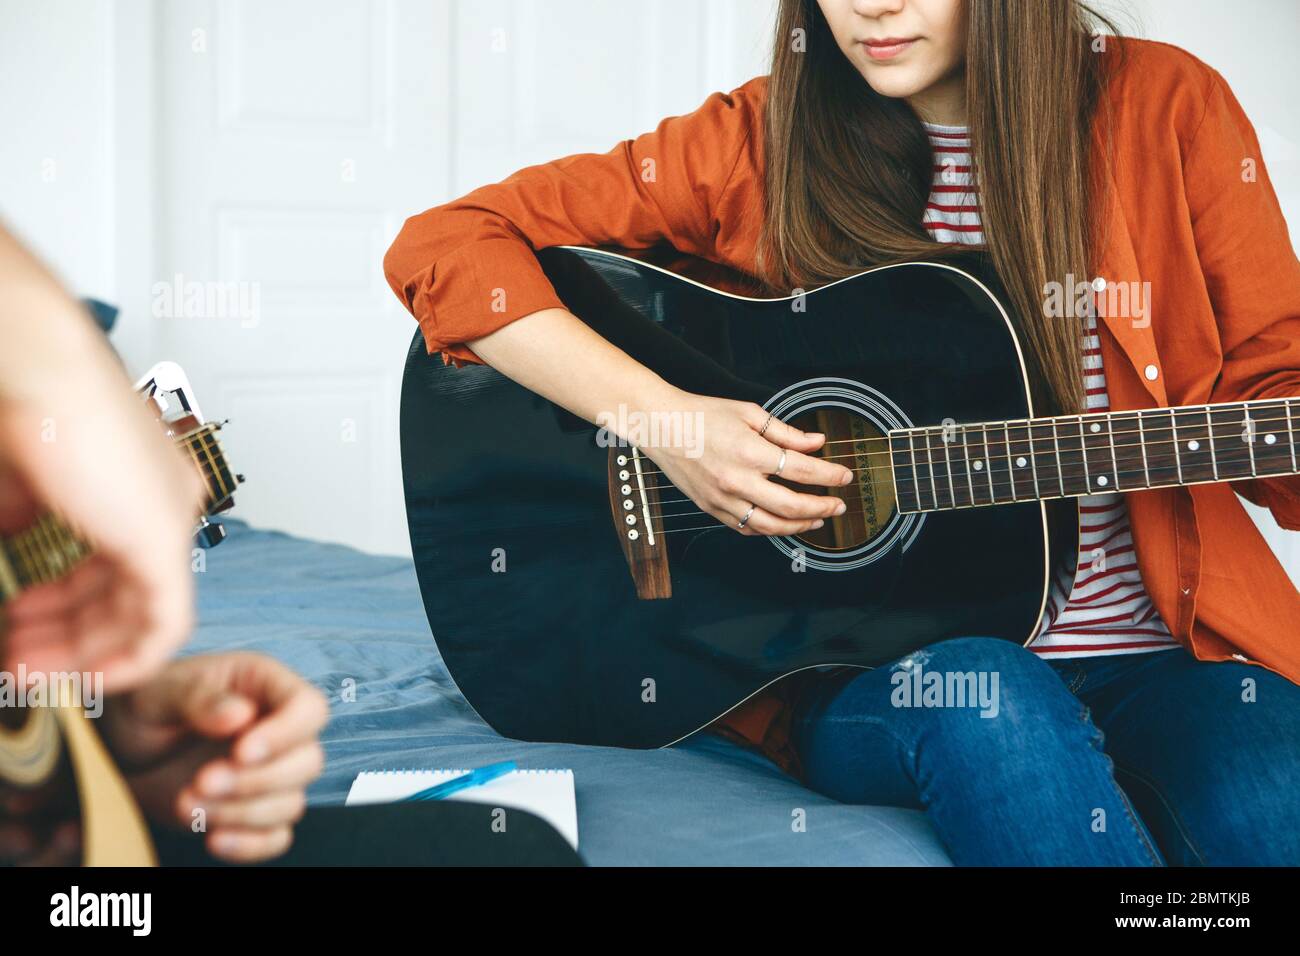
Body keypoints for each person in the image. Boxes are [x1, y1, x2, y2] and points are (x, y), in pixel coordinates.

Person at [383, 0, 1300, 865]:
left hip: (1158, 654)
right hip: (874, 671)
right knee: (990, 702)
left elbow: (1273, 384)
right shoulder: (759, 138)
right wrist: (663, 422)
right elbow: (446, 244)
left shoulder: (1169, 109)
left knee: (1269, 790)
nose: (872, 6)